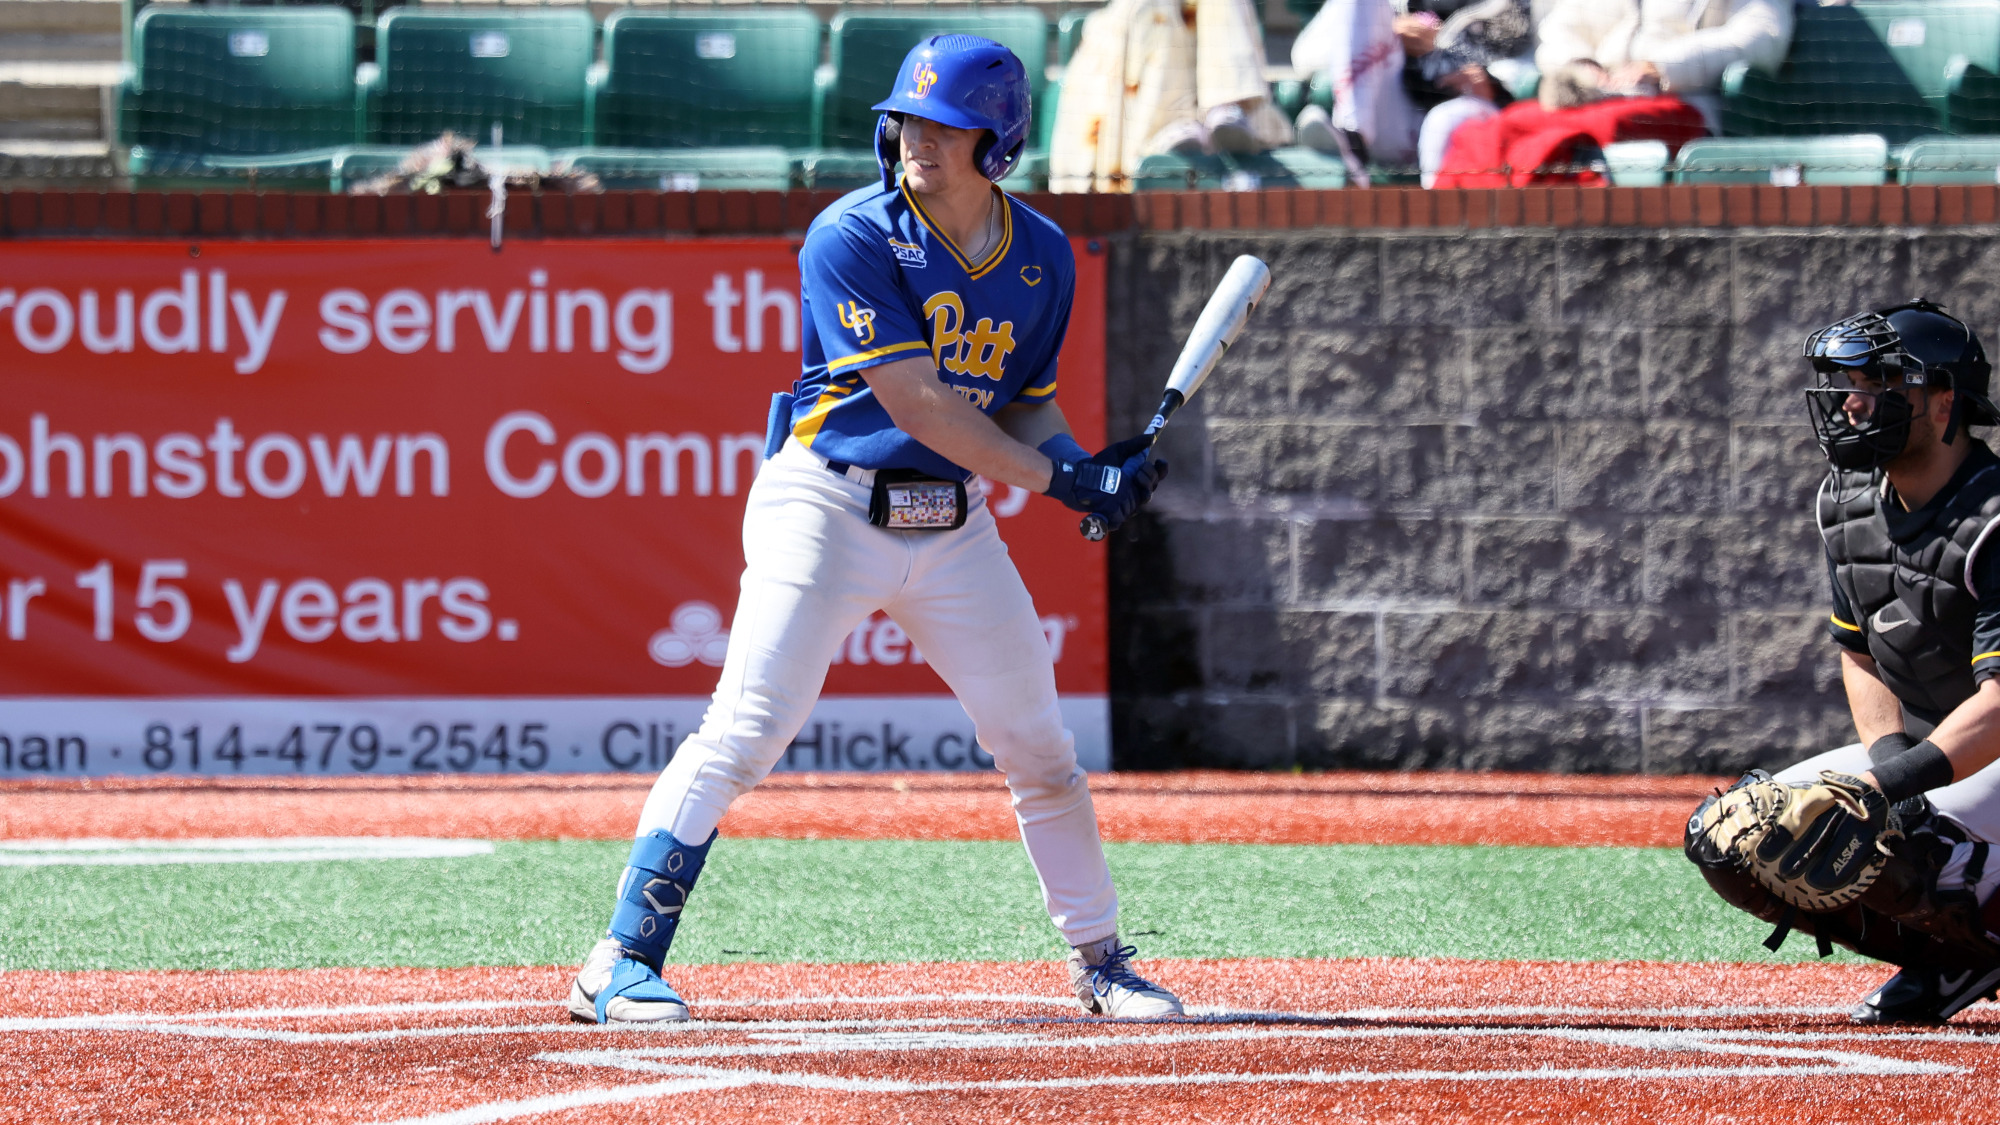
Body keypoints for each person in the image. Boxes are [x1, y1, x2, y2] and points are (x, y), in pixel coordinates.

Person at [566, 34, 1182, 1025]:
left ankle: (1102, 962)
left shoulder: (1041, 255)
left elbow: (1020, 406)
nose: (917, 143)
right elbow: (921, 405)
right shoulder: (849, 233)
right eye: (908, 121)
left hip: (955, 524)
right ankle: (617, 961)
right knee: (745, 730)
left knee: (1037, 747)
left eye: (947, 129)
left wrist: (1090, 464)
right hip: (826, 504)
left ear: (998, 146)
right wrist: (1063, 482)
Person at [1690, 300, 2000, 1024]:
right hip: (1944, 758)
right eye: (1849, 380)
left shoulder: (1994, 519)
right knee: (1738, 833)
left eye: (1883, 380)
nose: (1854, 401)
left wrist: (1889, 789)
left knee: (1879, 824)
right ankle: (1949, 960)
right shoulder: (1846, 501)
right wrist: (1889, 766)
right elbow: (1860, 655)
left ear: (1945, 399)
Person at [1533, 0, 1791, 129]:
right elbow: (1559, 29)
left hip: (1683, 97)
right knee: (1513, 130)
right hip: (1597, 96)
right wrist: (1580, 66)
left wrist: (1662, 66)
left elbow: (1762, 36)